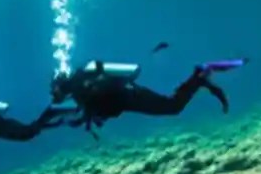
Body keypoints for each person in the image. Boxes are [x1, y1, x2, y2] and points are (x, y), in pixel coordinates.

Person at [50, 58, 248, 138]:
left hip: (131, 97)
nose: (54, 96)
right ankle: (198, 78)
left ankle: (200, 75)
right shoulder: (80, 87)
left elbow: (98, 107)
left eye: (54, 91)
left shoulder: (80, 88)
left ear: (60, 86)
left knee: (173, 107)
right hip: (130, 96)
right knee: (172, 105)